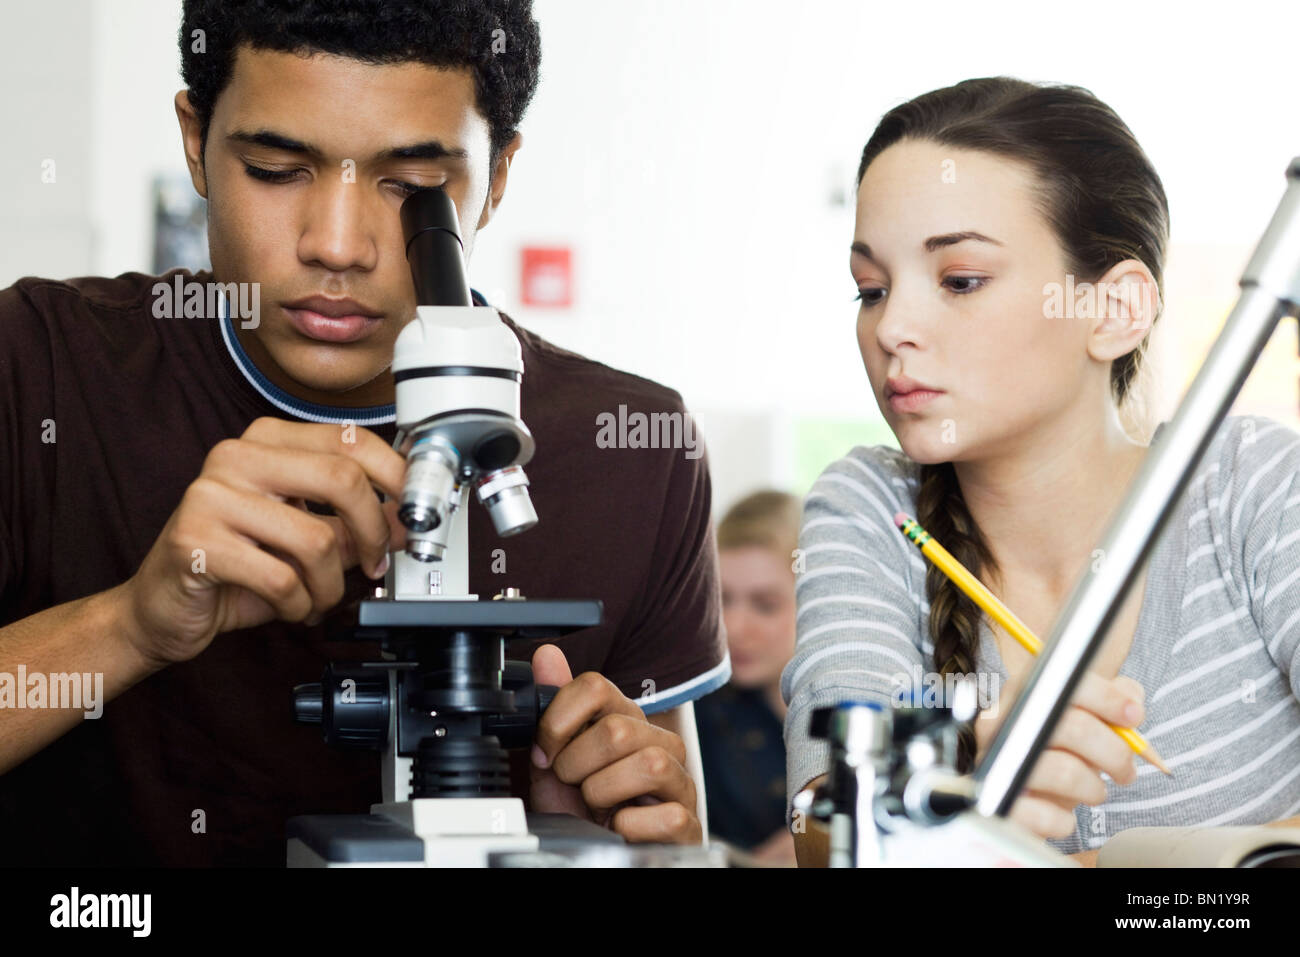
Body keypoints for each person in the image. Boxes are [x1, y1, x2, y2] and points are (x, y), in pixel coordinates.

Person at [0, 0, 729, 866]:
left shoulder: (634, 454)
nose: (337, 245)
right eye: (276, 167)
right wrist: (129, 625)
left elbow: (675, 824)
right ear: (195, 140)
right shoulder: (40, 364)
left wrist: (618, 836)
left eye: (414, 187)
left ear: (496, 178)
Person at [784, 76, 1300, 867]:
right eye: (871, 289)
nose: (892, 326)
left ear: (1117, 310)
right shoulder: (871, 508)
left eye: (959, 280)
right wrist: (960, 791)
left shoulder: (1251, 485)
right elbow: (827, 834)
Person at [695, 490, 800, 865]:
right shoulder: (693, 720)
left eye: (765, 605)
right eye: (722, 600)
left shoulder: (865, 708)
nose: (734, 628)